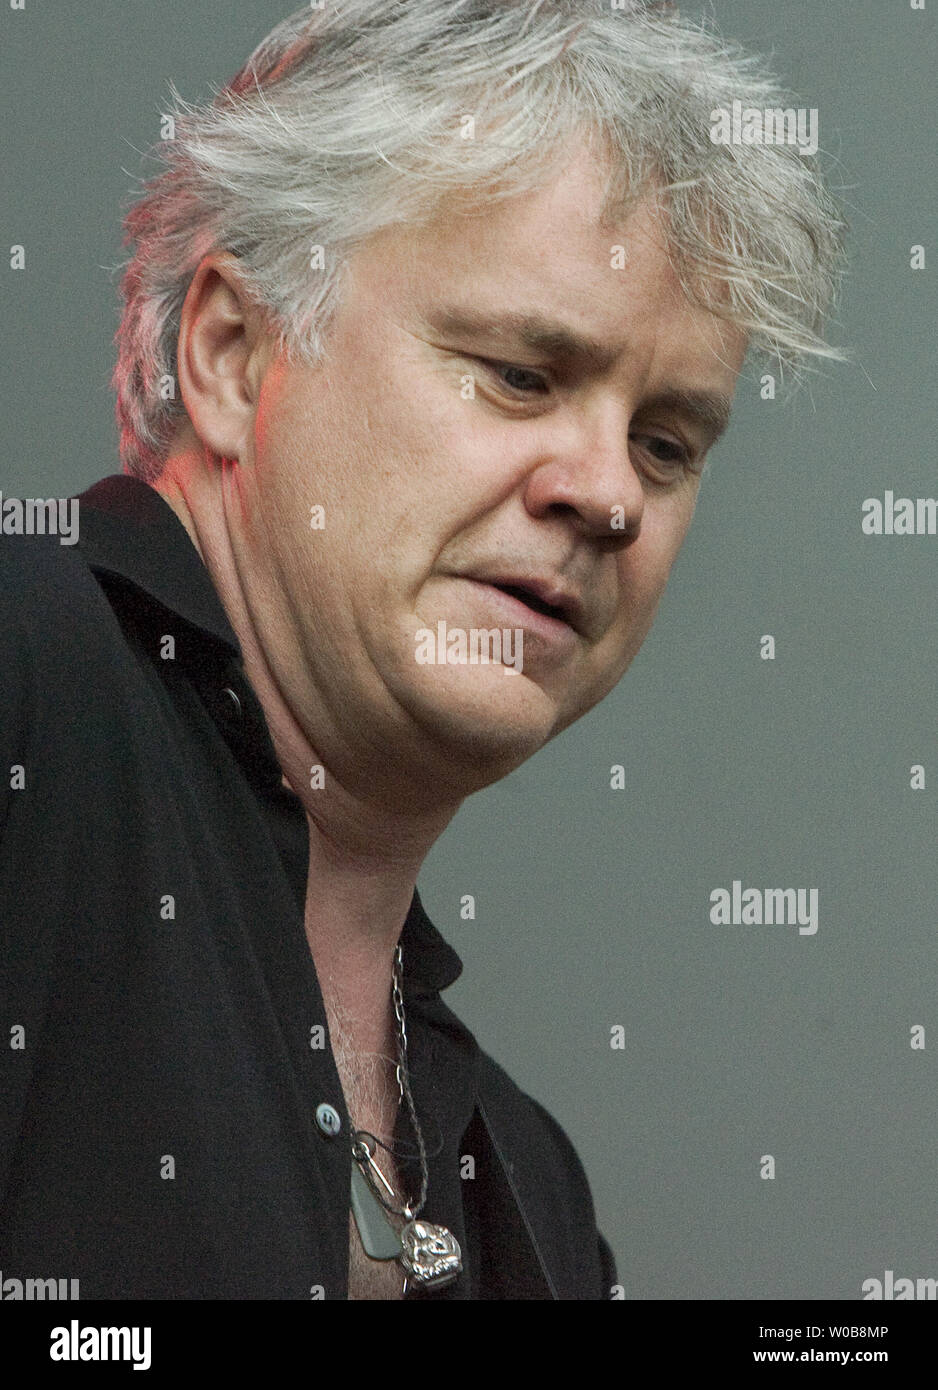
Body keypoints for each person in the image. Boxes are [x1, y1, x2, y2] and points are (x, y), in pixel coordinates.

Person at [0, 0, 846, 1299]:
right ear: (230, 352)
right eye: (519, 372)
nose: (607, 491)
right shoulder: (29, 671)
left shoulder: (528, 1184)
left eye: (668, 442)